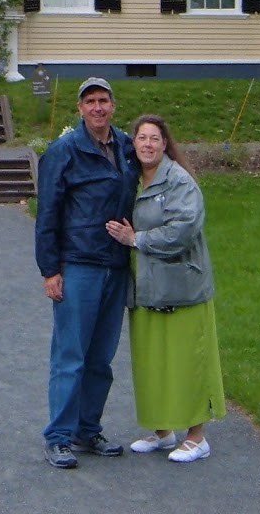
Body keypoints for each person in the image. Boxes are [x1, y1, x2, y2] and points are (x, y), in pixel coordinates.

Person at [105, 114, 226, 463]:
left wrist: (136, 239)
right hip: (146, 288)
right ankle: (161, 430)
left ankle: (197, 436)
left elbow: (182, 230)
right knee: (152, 360)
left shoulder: (180, 181)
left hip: (181, 287)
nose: (147, 144)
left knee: (187, 360)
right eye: (141, 138)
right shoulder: (132, 180)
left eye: (154, 138)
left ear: (165, 143)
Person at [34, 76, 136, 469]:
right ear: (80, 109)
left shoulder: (125, 147)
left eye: (104, 101)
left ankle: (87, 429)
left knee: (101, 358)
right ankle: (58, 436)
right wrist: (50, 270)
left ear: (113, 105)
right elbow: (47, 216)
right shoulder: (64, 152)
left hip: (115, 264)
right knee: (70, 356)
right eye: (90, 101)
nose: (98, 108)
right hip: (78, 265)